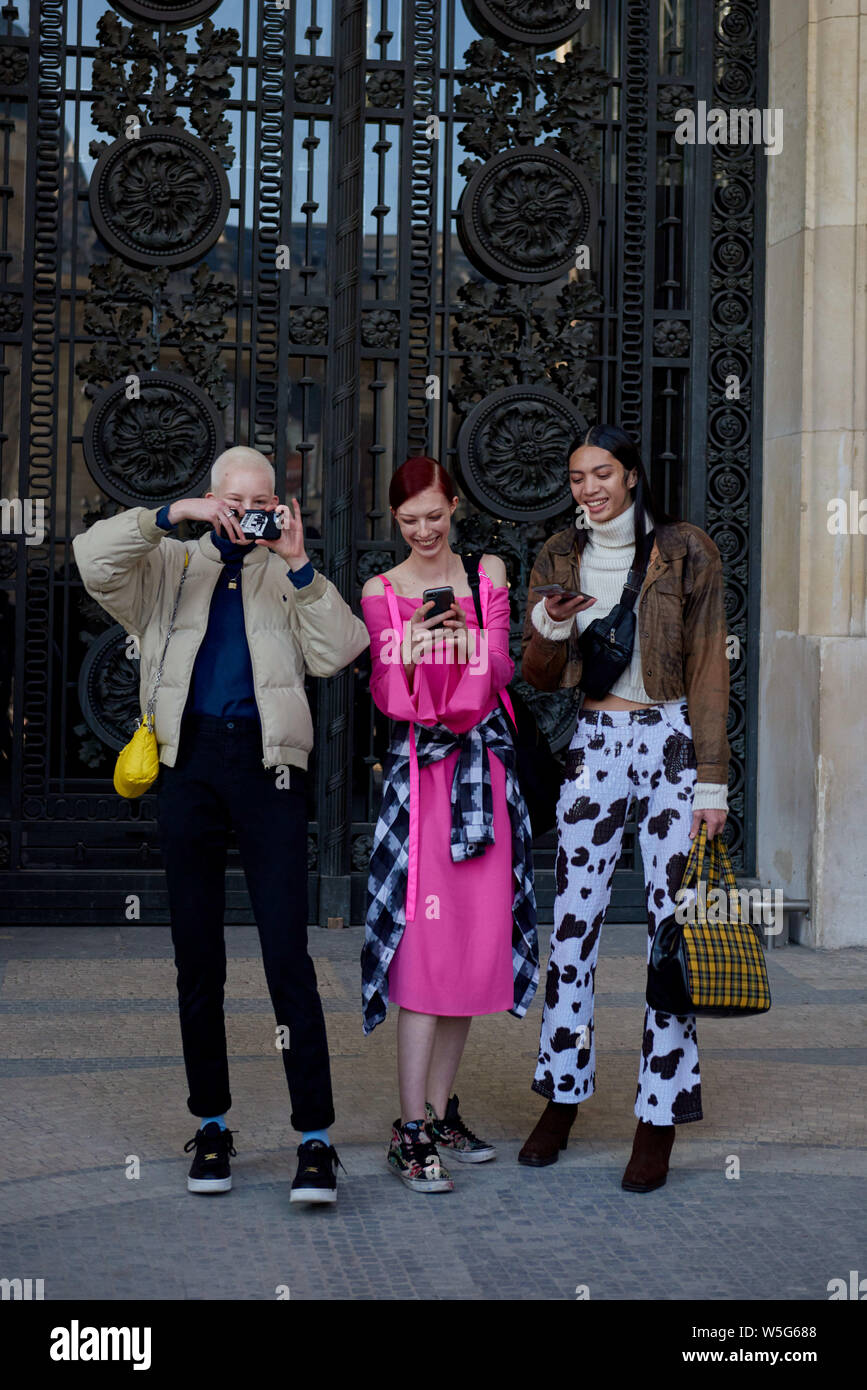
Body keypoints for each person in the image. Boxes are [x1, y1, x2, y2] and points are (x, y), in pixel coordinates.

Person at [73, 447, 369, 1204]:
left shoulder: (286, 572)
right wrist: (173, 515)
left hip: (270, 768)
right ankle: (211, 1125)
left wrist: (299, 565)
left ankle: (314, 1138)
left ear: (279, 505)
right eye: (234, 500)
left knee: (287, 954)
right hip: (188, 763)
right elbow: (91, 559)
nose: (249, 513)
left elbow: (341, 650)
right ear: (213, 499)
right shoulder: (169, 564)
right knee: (197, 957)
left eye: (262, 501)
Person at [518, 424, 730, 1192]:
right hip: (595, 740)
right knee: (573, 924)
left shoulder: (686, 550)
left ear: (631, 475)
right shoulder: (557, 554)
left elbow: (707, 666)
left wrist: (711, 780)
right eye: (577, 477)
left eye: (601, 473)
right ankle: (561, 1095)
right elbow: (539, 675)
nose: (589, 488)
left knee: (670, 931)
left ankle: (657, 1114)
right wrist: (549, 625)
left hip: (670, 738)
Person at [360, 456, 538, 1192]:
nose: (424, 530)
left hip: (484, 776)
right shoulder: (380, 591)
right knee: (424, 954)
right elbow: (386, 693)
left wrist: (463, 643)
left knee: (470, 947)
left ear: (455, 506)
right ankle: (408, 1130)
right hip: (423, 782)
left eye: (434, 516)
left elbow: (501, 671)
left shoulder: (487, 573)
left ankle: (436, 1114)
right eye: (409, 520)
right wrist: (412, 654)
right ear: (394, 520)